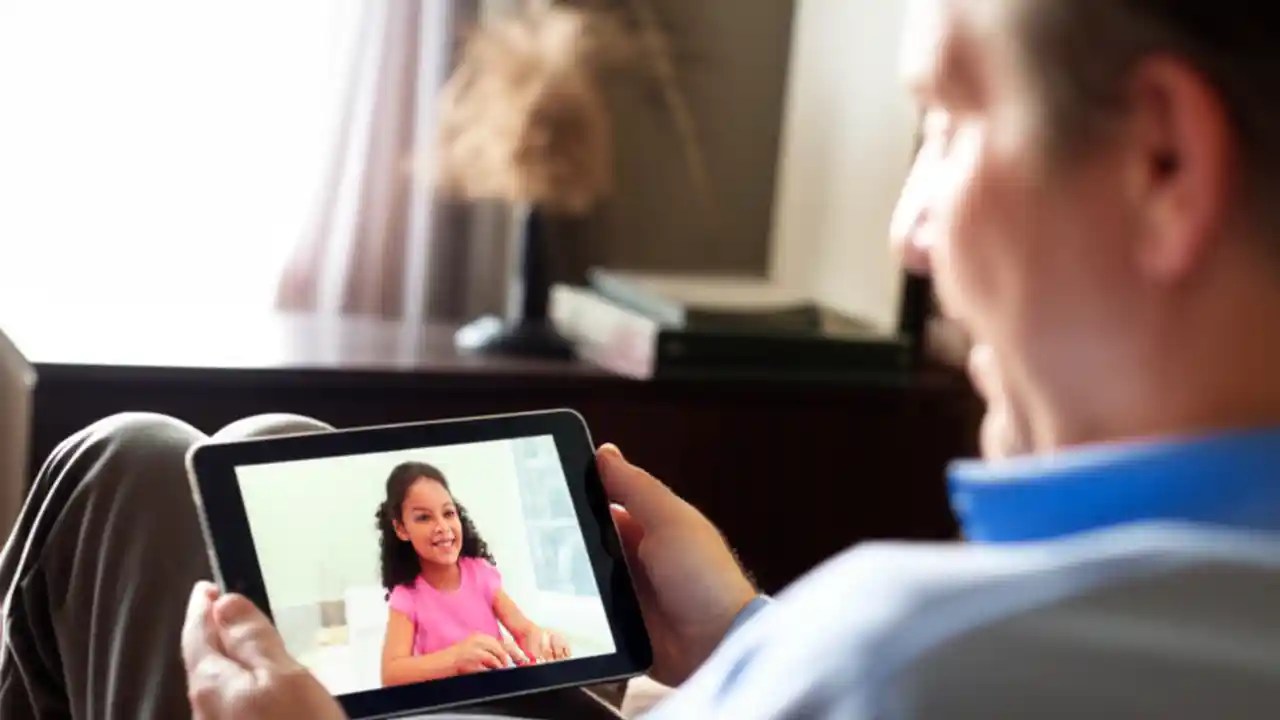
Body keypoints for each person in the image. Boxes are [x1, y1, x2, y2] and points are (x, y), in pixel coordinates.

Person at [7, 0, 1280, 717]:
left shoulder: (900, 655)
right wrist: (737, 636)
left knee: (131, 471)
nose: (905, 233)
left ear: (1159, 161)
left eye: (946, 121)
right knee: (263, 459)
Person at [376, 461, 570, 685]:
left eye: (448, 513)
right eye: (424, 517)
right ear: (401, 528)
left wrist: (546, 640)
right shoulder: (407, 596)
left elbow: (525, 631)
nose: (442, 526)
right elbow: (391, 674)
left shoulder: (480, 573)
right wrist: (456, 659)